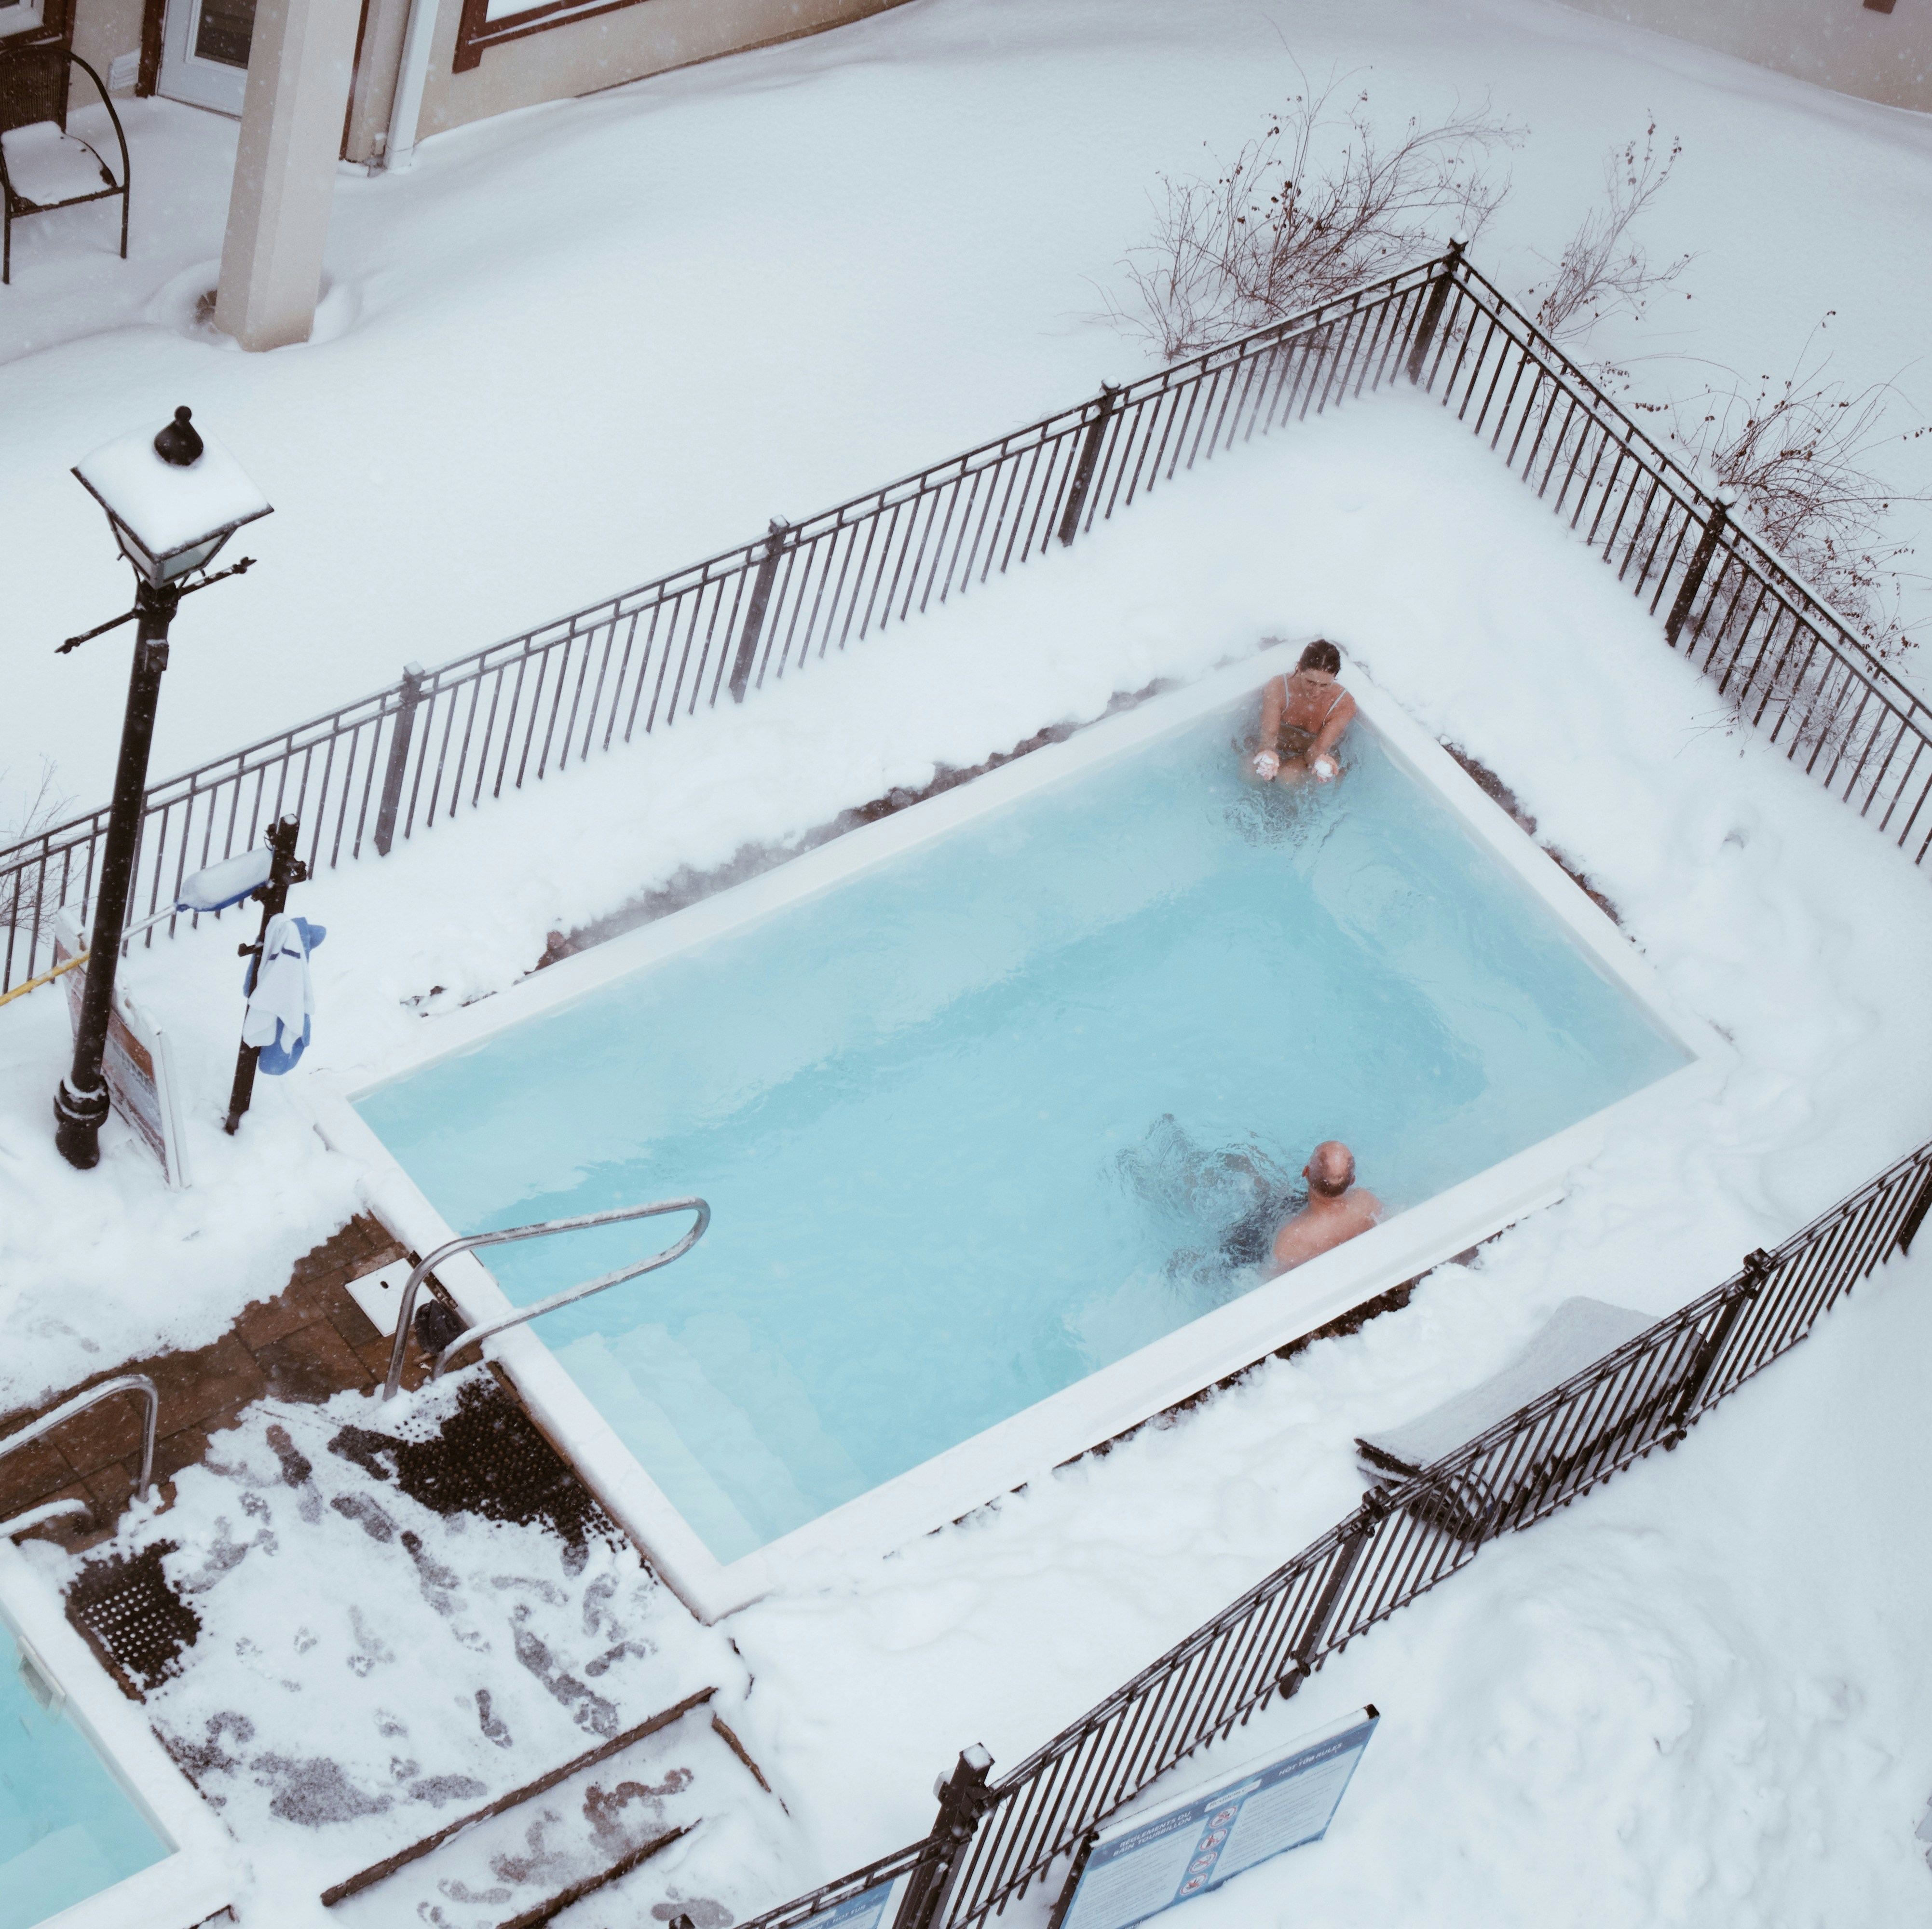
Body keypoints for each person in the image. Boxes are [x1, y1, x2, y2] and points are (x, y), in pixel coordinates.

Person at [1246, 641, 1356, 787]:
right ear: (1299, 669)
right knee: (1249, 771)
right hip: (1278, 744)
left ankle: (1292, 808)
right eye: (1311, 682)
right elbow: (1269, 735)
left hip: (1308, 755)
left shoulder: (1343, 703)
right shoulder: (1279, 687)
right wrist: (1268, 752)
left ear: (1335, 677)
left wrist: (1321, 761)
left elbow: (1318, 749)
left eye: (1325, 685)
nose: (1316, 692)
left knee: (1289, 777)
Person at [1267, 1141, 1380, 1275]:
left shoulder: (1292, 1238)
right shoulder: (1366, 1202)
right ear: (1352, 1181)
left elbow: (1271, 1280)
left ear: (1306, 1172)